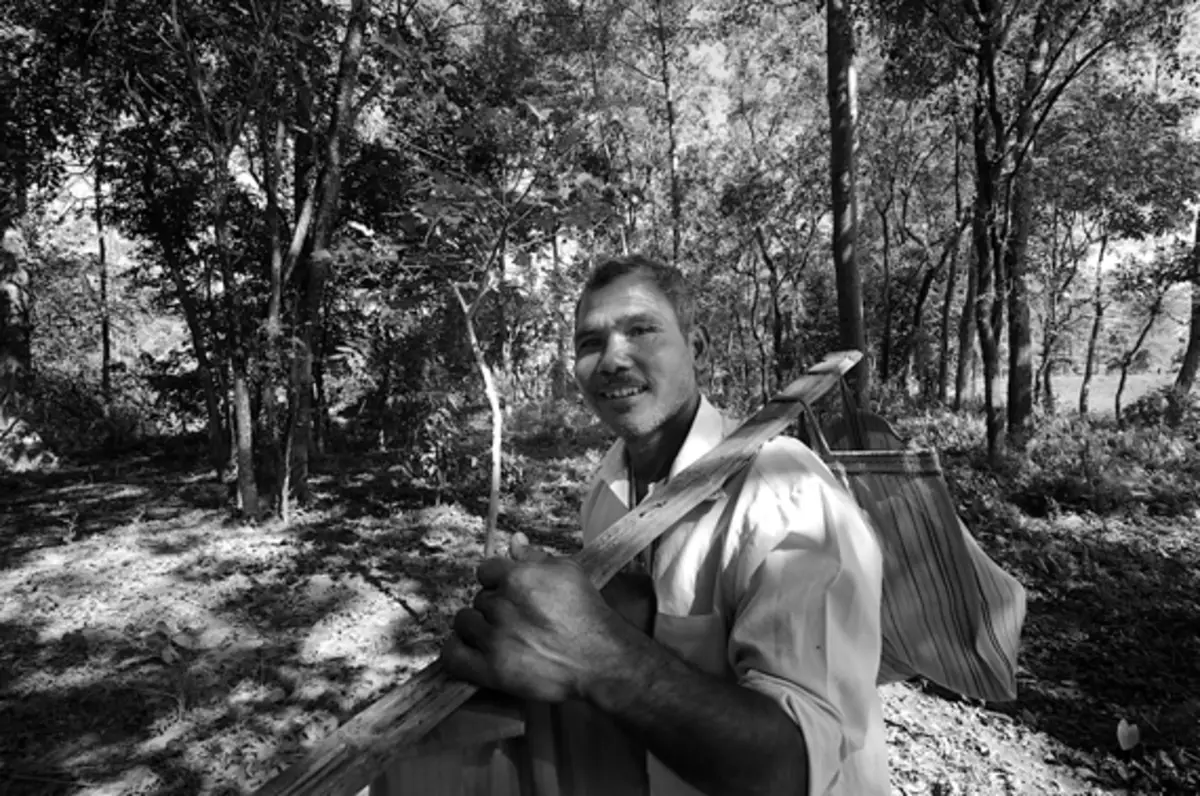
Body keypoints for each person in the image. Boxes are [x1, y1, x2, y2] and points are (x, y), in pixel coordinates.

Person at [440, 254, 888, 795]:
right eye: (589, 343)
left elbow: (794, 766)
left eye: (641, 330)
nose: (612, 359)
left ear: (697, 348)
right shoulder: (606, 486)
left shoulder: (784, 491)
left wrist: (599, 655)